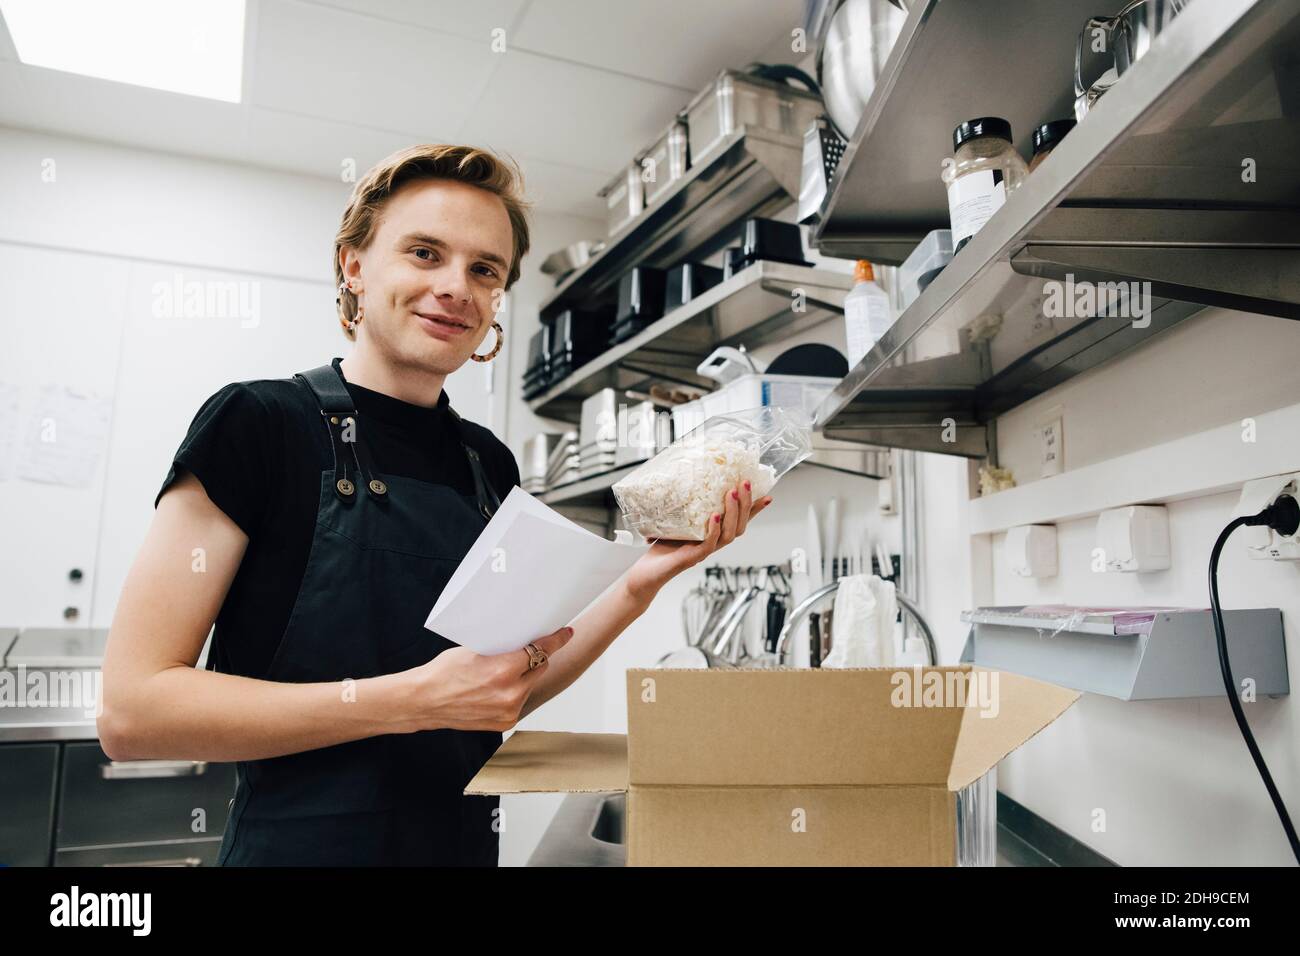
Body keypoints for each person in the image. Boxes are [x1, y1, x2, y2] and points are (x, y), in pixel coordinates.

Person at [99, 144, 772, 866]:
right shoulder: (259, 423)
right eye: (425, 253)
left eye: (485, 270)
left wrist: (643, 579)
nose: (457, 287)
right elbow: (134, 713)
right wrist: (409, 700)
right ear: (354, 266)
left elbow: (493, 695)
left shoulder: (487, 464)